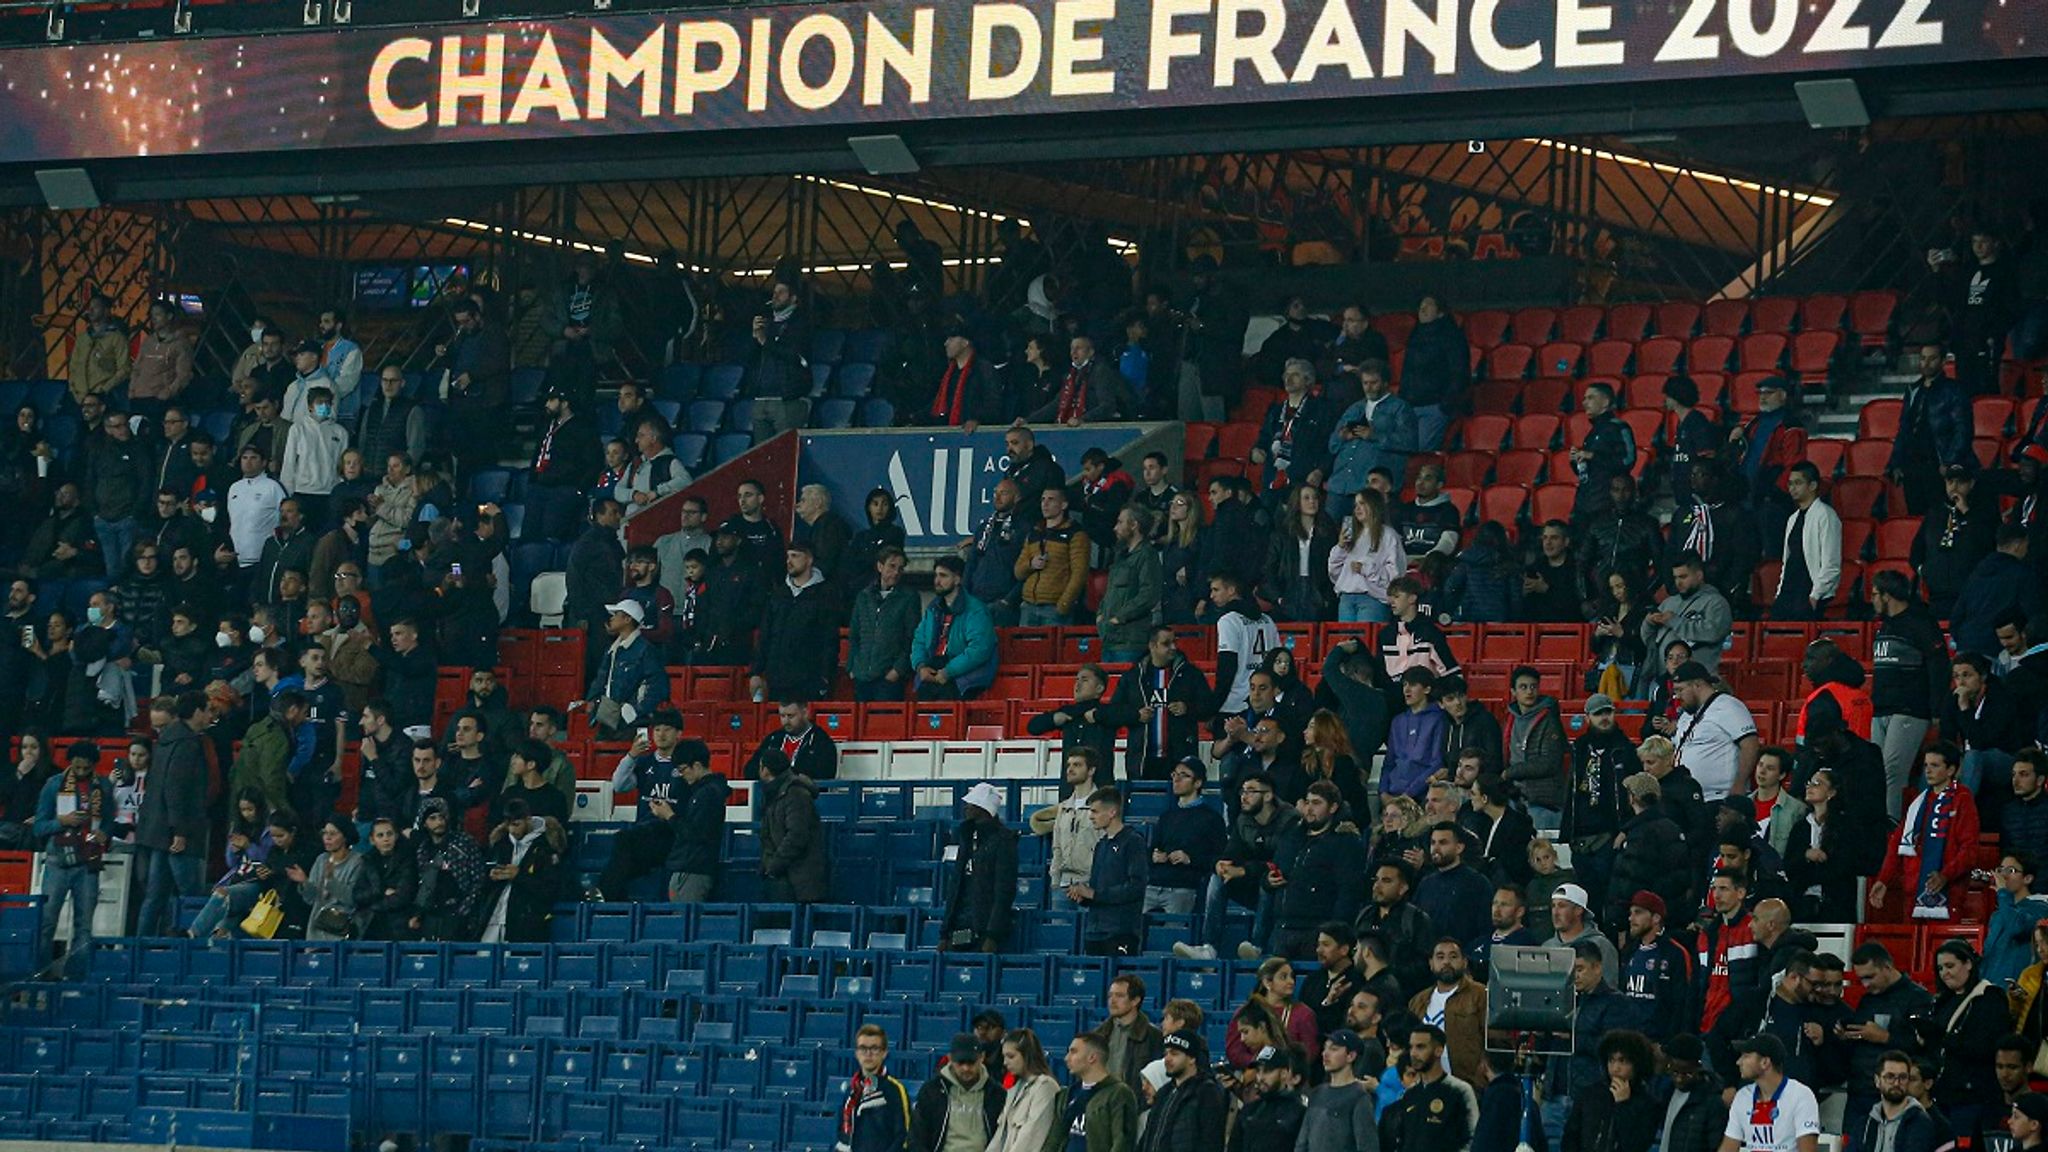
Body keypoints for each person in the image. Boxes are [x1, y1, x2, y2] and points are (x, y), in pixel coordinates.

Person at [1910, 940, 2011, 1140]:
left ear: (1968, 964)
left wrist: (1940, 1037)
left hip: (1974, 1096)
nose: (1944, 973)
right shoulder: (1942, 1001)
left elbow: (1987, 1046)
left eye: (1950, 966)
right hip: (1942, 1094)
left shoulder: (1990, 997)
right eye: (1940, 968)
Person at [133, 691, 212, 937]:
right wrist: (179, 830)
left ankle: (139, 947)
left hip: (158, 831)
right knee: (191, 894)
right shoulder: (187, 743)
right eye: (208, 710)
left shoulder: (165, 741)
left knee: (155, 896)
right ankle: (193, 947)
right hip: (179, 834)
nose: (210, 715)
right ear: (197, 711)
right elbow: (176, 789)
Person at [1870, 742, 1980, 920]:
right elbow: (1897, 843)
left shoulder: (1962, 800)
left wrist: (1945, 875)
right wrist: (1884, 879)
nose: (1928, 770)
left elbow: (1969, 850)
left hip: (1948, 895)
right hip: (1912, 895)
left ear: (1951, 770)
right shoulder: (1918, 803)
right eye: (1926, 765)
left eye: (1935, 765)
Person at [34, 744, 113, 975]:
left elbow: (109, 820)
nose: (81, 771)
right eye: (77, 767)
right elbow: (38, 826)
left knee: (84, 925)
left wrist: (104, 833)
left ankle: (76, 977)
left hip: (88, 861)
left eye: (86, 768)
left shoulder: (103, 786)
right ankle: (40, 974)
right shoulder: (53, 785)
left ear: (93, 766)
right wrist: (62, 822)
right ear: (70, 763)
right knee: (47, 921)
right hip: (57, 861)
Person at [1071, 788, 1148, 956]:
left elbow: (1136, 887)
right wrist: (1084, 897)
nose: (1091, 816)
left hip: (1121, 931)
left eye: (1095, 811)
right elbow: (1097, 889)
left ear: (1112, 812)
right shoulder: (1101, 845)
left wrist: (1095, 894)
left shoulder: (1133, 842)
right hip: (1094, 931)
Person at [941, 782, 1018, 953]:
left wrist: (992, 935)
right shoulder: (967, 837)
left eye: (971, 804)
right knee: (955, 963)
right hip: (962, 925)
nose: (966, 808)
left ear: (982, 808)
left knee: (977, 966)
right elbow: (956, 886)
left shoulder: (1004, 840)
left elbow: (1004, 891)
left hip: (984, 929)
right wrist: (945, 933)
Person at [1326, 359, 1416, 499]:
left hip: (1371, 489)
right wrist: (1342, 437)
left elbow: (1409, 442)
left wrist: (1375, 435)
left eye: (1374, 383)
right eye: (1365, 383)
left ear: (1385, 383)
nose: (1369, 387)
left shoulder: (1400, 408)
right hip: (1339, 484)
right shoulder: (1355, 408)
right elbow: (1332, 445)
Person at [580, 599, 669, 737]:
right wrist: (592, 700)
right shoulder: (612, 650)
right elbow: (601, 678)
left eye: (616, 614)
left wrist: (633, 710)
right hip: (608, 717)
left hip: (632, 723)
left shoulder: (645, 650)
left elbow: (656, 685)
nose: (612, 618)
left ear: (628, 619)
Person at [754, 747, 829, 905]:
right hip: (784, 877)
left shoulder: (795, 794)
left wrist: (774, 865)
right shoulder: (775, 793)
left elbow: (797, 835)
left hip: (798, 882)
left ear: (765, 770)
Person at [1562, 1029, 1658, 1152]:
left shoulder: (1648, 1104)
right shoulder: (1590, 1094)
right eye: (1611, 1060)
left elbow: (1636, 1145)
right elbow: (1571, 1136)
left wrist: (1623, 1105)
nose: (1615, 1068)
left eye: (1623, 1061)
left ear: (1637, 1064)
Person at [848, 547, 921, 702]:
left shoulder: (909, 597)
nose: (896, 572)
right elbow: (855, 634)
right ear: (880, 566)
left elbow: (912, 637)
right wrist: (852, 667)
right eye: (892, 566)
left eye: (900, 568)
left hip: (888, 677)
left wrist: (898, 670)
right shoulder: (864, 596)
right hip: (862, 675)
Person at [1383, 1026, 1472, 1152]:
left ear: (1438, 1051)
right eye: (1411, 1047)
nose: (1413, 1053)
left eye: (1420, 1047)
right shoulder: (1410, 1095)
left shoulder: (1459, 1090)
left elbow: (1472, 1139)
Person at [912, 1032, 1006, 1152]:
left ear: (982, 1057)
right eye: (960, 1062)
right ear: (950, 1058)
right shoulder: (932, 1091)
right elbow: (916, 1138)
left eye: (971, 1062)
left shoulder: (996, 1094)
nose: (965, 1068)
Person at [1772, 462, 1842, 620]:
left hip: (1808, 592)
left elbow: (1831, 563)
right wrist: (1779, 592)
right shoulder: (1792, 519)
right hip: (1788, 591)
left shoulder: (1826, 515)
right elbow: (1787, 560)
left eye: (1798, 483)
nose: (1792, 488)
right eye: (1790, 484)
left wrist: (1816, 595)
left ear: (1812, 486)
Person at [658, 739, 727, 903]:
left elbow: (696, 833)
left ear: (696, 766)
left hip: (694, 868)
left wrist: (669, 815)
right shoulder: (701, 791)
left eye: (682, 770)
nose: (681, 775)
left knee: (685, 916)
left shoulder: (707, 793)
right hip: (690, 866)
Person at [1014, 485, 1089, 627]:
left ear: (1064, 505)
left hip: (1054, 608)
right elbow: (1018, 572)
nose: (1045, 504)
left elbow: (1080, 573)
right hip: (1028, 606)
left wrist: (1064, 605)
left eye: (1051, 499)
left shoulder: (1075, 534)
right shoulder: (1034, 533)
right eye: (1043, 499)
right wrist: (1031, 564)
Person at [1056, 1032, 1140, 1152]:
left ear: (1092, 1057)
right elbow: (1055, 1138)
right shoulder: (1069, 1093)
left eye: (1073, 1052)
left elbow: (1122, 1142)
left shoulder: (1119, 1093)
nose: (1066, 1058)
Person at [1297, 1032, 1378, 1152]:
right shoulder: (1317, 1093)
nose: (1325, 1054)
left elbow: (1368, 1146)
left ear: (1351, 1056)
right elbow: (1302, 1141)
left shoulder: (1359, 1098)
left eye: (1334, 1049)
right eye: (1325, 1048)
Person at [841, 1024, 914, 1152]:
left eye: (874, 1048)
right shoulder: (851, 1092)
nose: (868, 1054)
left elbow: (904, 1136)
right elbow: (842, 1134)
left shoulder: (895, 1090)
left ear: (884, 1053)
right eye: (863, 1048)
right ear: (856, 1053)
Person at [986, 1029, 1062, 1152]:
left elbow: (1031, 1136)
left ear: (1027, 1055)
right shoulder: (1014, 1089)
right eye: (1004, 1057)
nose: (1005, 1062)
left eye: (1011, 1056)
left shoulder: (1045, 1087)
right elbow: (1000, 1137)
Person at [298, 818, 371, 941]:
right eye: (325, 833)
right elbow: (311, 899)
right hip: (317, 932)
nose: (327, 838)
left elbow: (352, 899)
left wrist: (331, 881)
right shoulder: (321, 860)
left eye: (332, 834)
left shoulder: (358, 862)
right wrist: (304, 882)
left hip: (342, 931)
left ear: (345, 837)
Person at [1657, 1035, 1728, 1152]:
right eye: (1674, 1072)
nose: (1679, 1079)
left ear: (1699, 1067)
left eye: (1687, 1074)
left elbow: (1716, 1145)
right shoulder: (1666, 1092)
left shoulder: (1712, 1102)